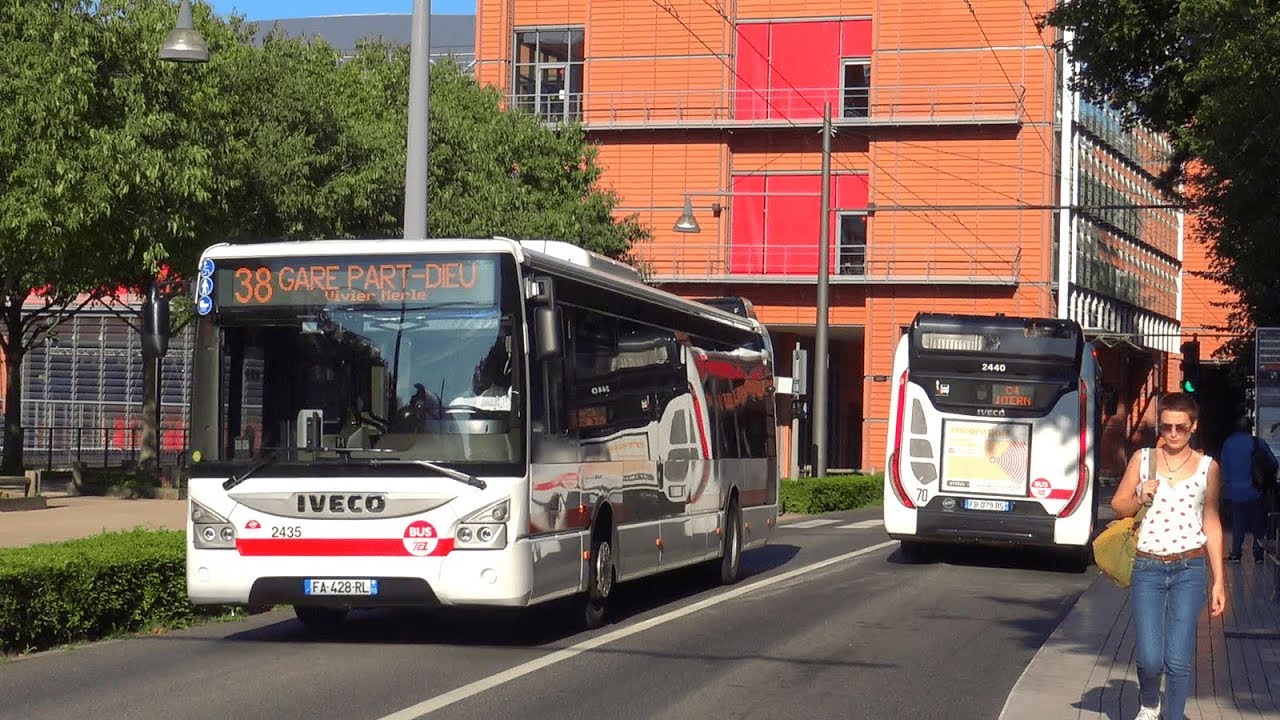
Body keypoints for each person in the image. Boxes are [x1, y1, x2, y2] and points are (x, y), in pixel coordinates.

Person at [1112, 392, 1226, 720]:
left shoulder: (1209, 468)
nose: (1173, 434)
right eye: (1166, 427)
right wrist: (1138, 496)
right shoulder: (1142, 459)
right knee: (1149, 658)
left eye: (1181, 427)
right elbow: (1119, 507)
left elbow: (1212, 523)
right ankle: (1150, 703)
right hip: (1147, 567)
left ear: (1194, 426)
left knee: (1177, 659)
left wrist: (1219, 580)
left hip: (1189, 569)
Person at [1219, 415, 1275, 564]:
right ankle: (1258, 555)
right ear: (1250, 428)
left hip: (1234, 492)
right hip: (1256, 490)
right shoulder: (1257, 443)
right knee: (1258, 524)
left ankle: (1236, 553)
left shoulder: (1228, 444)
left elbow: (1224, 469)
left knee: (1238, 523)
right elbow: (1273, 463)